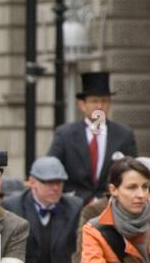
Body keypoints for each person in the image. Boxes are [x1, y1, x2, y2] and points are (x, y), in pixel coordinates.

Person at [47, 72, 139, 206]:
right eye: (95, 101)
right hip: (74, 207)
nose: (100, 106)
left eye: (104, 101)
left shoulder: (124, 134)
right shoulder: (65, 134)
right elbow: (52, 168)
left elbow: (132, 172)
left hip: (112, 206)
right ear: (82, 105)